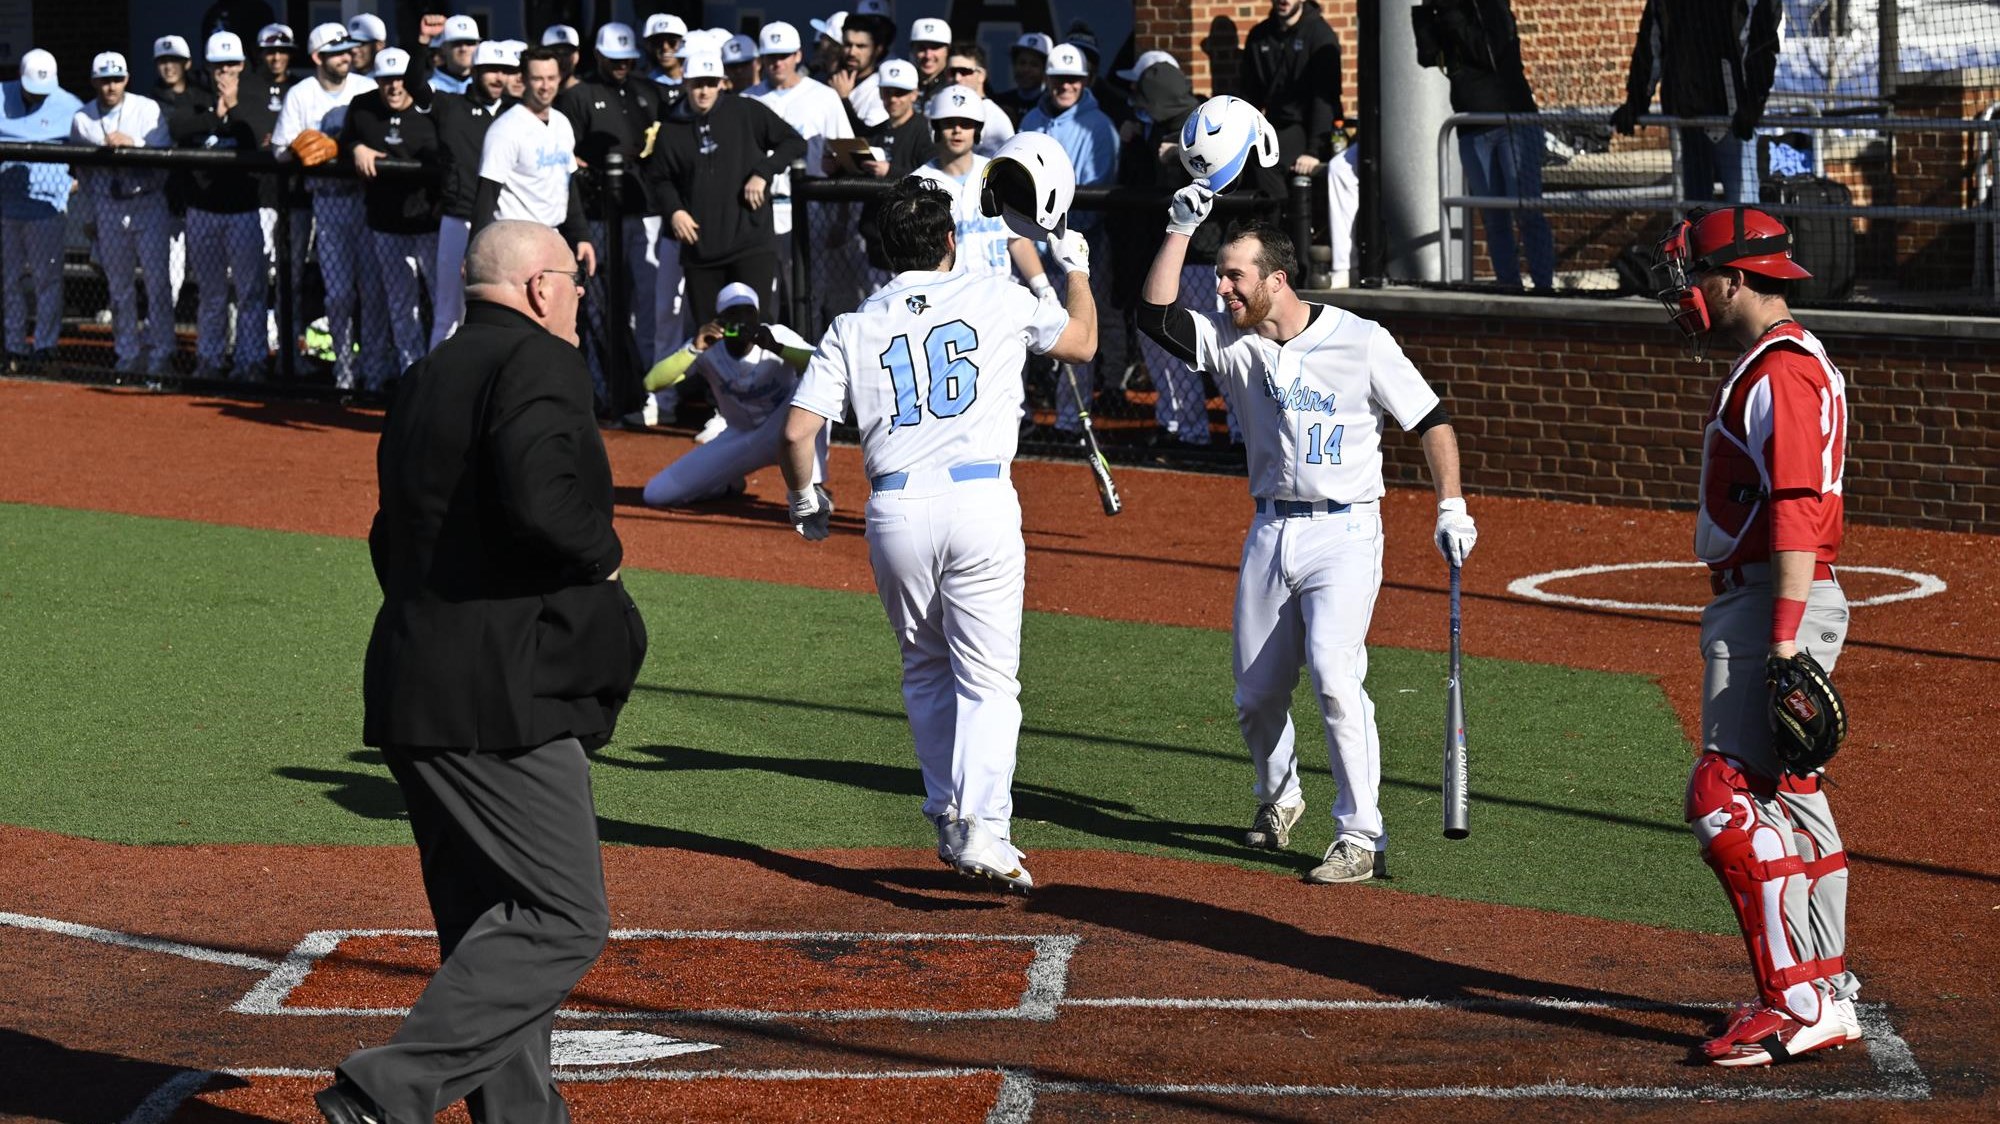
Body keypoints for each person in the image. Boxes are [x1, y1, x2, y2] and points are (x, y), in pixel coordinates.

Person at [312, 219, 643, 1124]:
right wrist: (604, 554)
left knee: (486, 932)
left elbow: (393, 534)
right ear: (541, 288)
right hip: (504, 696)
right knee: (563, 917)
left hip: (415, 681)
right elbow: (544, 504)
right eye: (574, 280)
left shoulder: (425, 374)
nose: (581, 295)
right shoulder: (538, 362)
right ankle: (385, 1091)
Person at [1137, 187, 1476, 885]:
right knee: (1256, 695)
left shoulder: (1361, 340)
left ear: (1277, 279)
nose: (1222, 287)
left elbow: (1431, 418)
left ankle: (1360, 834)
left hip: (1346, 532)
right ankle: (1280, 798)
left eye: (1235, 275)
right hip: (1268, 533)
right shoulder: (1235, 343)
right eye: (1220, 275)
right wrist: (1179, 227)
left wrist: (1451, 505)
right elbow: (1156, 315)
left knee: (1332, 673)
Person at [779, 171, 1096, 893]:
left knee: (924, 668)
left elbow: (799, 432)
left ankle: (951, 815)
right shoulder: (995, 294)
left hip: (894, 509)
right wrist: (1073, 267)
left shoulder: (853, 325)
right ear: (950, 238)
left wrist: (808, 499)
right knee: (988, 680)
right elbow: (1080, 343)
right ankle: (984, 826)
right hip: (978, 500)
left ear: (880, 249)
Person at [1648, 205, 1863, 1066]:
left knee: (1724, 793)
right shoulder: (1792, 360)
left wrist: (1779, 646)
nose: (1690, 295)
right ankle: (1826, 986)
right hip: (1785, 595)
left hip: (1775, 600)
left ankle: (1794, 1000)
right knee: (1792, 796)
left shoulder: (1777, 373)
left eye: (1698, 277)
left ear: (1735, 278)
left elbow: (1798, 511)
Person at [645, 51, 805, 334]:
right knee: (710, 333)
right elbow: (659, 178)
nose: (704, 91)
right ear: (685, 83)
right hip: (700, 246)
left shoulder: (746, 111)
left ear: (721, 83)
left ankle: (763, 380)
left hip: (750, 241)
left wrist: (763, 172)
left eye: (710, 83)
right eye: (697, 83)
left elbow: (793, 142)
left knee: (756, 328)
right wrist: (674, 211)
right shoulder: (671, 127)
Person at [1118, 51, 1226, 447]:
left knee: (1217, 349)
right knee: (1167, 348)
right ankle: (1183, 429)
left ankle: (1240, 436)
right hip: (1164, 256)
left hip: (1202, 258)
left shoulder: (1201, 126)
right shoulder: (1150, 129)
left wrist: (1177, 158)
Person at [557, 21, 665, 419]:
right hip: (600, 217)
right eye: (613, 59)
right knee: (604, 307)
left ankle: (651, 391)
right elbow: (568, 154)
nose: (621, 65)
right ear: (598, 56)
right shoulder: (580, 95)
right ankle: (609, 388)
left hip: (646, 211)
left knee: (650, 306)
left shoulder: (646, 91)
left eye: (626, 59)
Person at [638, 281, 827, 505]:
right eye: (733, 314)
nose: (741, 321)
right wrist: (693, 349)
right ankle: (728, 482)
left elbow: (825, 366)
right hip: (740, 436)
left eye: (748, 314)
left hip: (785, 428)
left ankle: (810, 486)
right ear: (719, 321)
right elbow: (652, 383)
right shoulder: (707, 347)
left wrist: (777, 348)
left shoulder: (776, 335)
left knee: (819, 382)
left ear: (758, 317)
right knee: (656, 494)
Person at [1414, 0, 1554, 290]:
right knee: (1493, 220)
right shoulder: (1445, 12)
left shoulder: (1489, 6)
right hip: (1472, 128)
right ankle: (1510, 288)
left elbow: (1487, 53)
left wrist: (1450, 12)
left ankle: (1545, 288)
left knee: (1527, 212)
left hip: (1511, 121)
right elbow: (1428, 55)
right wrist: (1426, 11)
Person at [272, 22, 378, 390]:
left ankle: (377, 369)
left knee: (373, 289)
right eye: (337, 52)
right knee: (339, 294)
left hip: (366, 202)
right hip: (326, 203)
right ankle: (345, 372)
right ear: (318, 57)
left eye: (348, 50)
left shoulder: (367, 88)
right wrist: (297, 151)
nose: (346, 56)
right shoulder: (302, 94)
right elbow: (280, 151)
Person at [1021, 43, 1117, 440]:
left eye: (1073, 79)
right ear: (1047, 79)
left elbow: (1097, 193)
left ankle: (1069, 419)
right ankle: (1019, 416)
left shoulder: (1099, 126)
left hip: (1077, 244)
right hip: (1028, 245)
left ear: (1086, 80)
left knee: (1077, 329)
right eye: (1059, 79)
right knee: (1021, 332)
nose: (1066, 86)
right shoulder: (1030, 117)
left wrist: (1063, 239)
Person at [1610, 0, 1781, 204]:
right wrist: (1636, 100)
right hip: (1688, 116)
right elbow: (1651, 41)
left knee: (1742, 210)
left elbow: (1760, 40)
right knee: (1697, 212)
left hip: (1731, 118)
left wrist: (1754, 101)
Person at [70, 51, 176, 376]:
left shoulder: (147, 109)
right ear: (94, 82)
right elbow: (81, 174)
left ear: (127, 79)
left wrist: (133, 144)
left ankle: (161, 354)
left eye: (116, 79)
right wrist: (90, 215)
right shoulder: (82, 118)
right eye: (104, 80)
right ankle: (126, 354)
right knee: (119, 287)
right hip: (108, 204)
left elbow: (164, 155)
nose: (110, 86)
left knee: (159, 283)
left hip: (147, 201)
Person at [171, 30, 268, 381]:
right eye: (217, 65)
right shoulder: (194, 97)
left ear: (242, 64)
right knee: (211, 293)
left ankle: (251, 361)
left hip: (243, 210)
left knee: (250, 292)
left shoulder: (255, 95)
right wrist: (216, 114)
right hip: (203, 211)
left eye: (231, 64)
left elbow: (261, 137)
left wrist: (236, 107)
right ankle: (210, 359)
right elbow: (178, 128)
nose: (224, 72)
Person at [346, 47, 441, 390]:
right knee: (400, 308)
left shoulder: (432, 108)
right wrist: (355, 147)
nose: (394, 87)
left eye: (400, 79)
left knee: (441, 304)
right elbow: (345, 140)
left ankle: (444, 381)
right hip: (385, 225)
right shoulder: (362, 108)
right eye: (386, 80)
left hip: (430, 224)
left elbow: (454, 155)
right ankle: (411, 379)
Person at [474, 48, 595, 279]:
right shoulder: (506, 129)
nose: (545, 86)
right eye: (538, 78)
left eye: (551, 78)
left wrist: (582, 236)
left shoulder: (562, 123)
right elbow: (486, 194)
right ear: (524, 80)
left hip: (553, 237)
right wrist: (475, 252)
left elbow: (567, 186)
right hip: (514, 242)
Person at [911, 86, 1043, 289]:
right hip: (947, 297)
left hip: (999, 293)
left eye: (966, 124)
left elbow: (1017, 240)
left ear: (978, 130)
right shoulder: (918, 183)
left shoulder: (997, 173)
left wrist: (1043, 288)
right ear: (935, 128)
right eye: (948, 123)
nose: (957, 130)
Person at [431, 41, 518, 347]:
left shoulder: (517, 114)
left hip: (506, 224)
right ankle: (436, 390)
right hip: (460, 219)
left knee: (505, 312)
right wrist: (421, 42)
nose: (499, 77)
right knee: (450, 314)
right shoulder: (451, 106)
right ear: (477, 71)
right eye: (492, 70)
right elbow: (416, 84)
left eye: (506, 71)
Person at [0, 49, 82, 364]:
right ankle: (14, 346)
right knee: (10, 282)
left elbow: (88, 159)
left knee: (47, 280)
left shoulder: (70, 106)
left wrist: (67, 188)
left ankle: (45, 346)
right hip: (6, 209)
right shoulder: (2, 96)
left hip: (47, 211)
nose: (36, 97)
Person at [242, 23, 306, 357]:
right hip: (259, 198)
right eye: (270, 51)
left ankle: (289, 353)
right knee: (255, 279)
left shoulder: (301, 88)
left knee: (291, 279)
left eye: (283, 51)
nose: (277, 57)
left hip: (296, 197)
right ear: (260, 54)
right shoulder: (247, 87)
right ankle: (251, 352)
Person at [1240, 0, 1342, 190]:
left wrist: (1314, 149)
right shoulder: (1259, 36)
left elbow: (1325, 100)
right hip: (1273, 123)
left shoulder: (1320, 35)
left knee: (1265, 158)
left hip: (1307, 125)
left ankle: (1274, 218)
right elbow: (1249, 95)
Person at [854, 60, 934, 286]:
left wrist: (892, 172)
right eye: (887, 93)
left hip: (912, 237)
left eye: (900, 93)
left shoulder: (924, 129)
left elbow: (934, 176)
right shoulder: (878, 130)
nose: (893, 99)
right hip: (877, 237)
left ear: (914, 95)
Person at [944, 43, 1013, 155]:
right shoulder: (940, 109)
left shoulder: (995, 118)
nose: (957, 78)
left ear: (981, 75)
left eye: (964, 71)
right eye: (951, 72)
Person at [830, 14, 889, 131]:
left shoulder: (881, 88)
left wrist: (844, 100)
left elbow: (868, 136)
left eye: (861, 46)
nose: (852, 52)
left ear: (877, 50)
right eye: (848, 45)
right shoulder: (831, 79)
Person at [993, 33, 1050, 125]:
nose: (1026, 70)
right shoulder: (1000, 102)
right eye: (1022, 63)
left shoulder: (1052, 104)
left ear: (1045, 69)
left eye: (1034, 64)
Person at [644, 12, 687, 109]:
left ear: (683, 44)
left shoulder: (694, 81)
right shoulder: (643, 83)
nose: (665, 47)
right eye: (658, 42)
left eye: (672, 42)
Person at [429, 14, 482, 94]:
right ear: (443, 48)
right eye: (456, 43)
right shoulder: (431, 88)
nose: (463, 48)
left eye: (469, 42)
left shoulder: (485, 87)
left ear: (478, 45)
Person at [906, 17, 952, 101]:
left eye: (935, 47)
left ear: (947, 51)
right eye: (921, 48)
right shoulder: (903, 84)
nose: (928, 55)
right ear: (912, 50)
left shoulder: (954, 86)